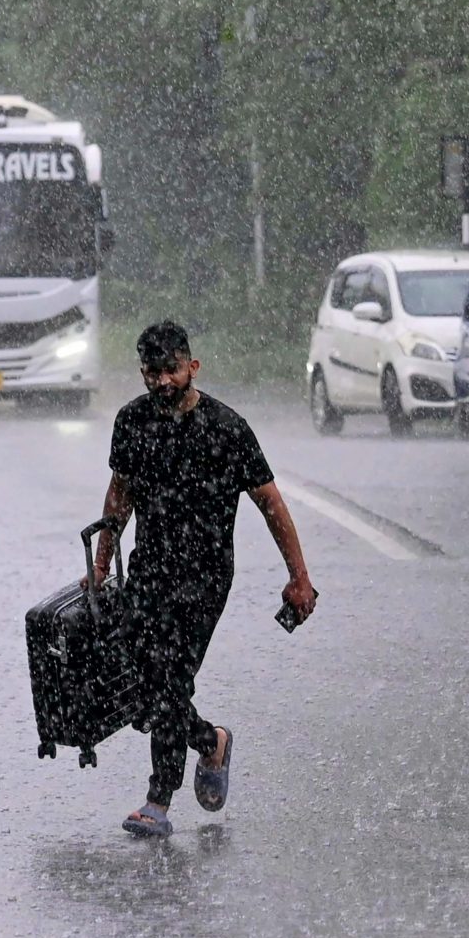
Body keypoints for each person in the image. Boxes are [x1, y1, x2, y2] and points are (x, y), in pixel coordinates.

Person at [87, 320, 318, 839]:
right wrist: (102, 565)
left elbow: (270, 504)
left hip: (205, 579)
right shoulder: (132, 423)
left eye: (172, 370)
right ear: (142, 373)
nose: (163, 381)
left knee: (169, 678)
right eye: (152, 372)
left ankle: (157, 800)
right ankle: (209, 741)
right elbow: (118, 495)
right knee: (142, 684)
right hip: (147, 573)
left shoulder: (227, 430)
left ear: (192, 367)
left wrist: (298, 578)